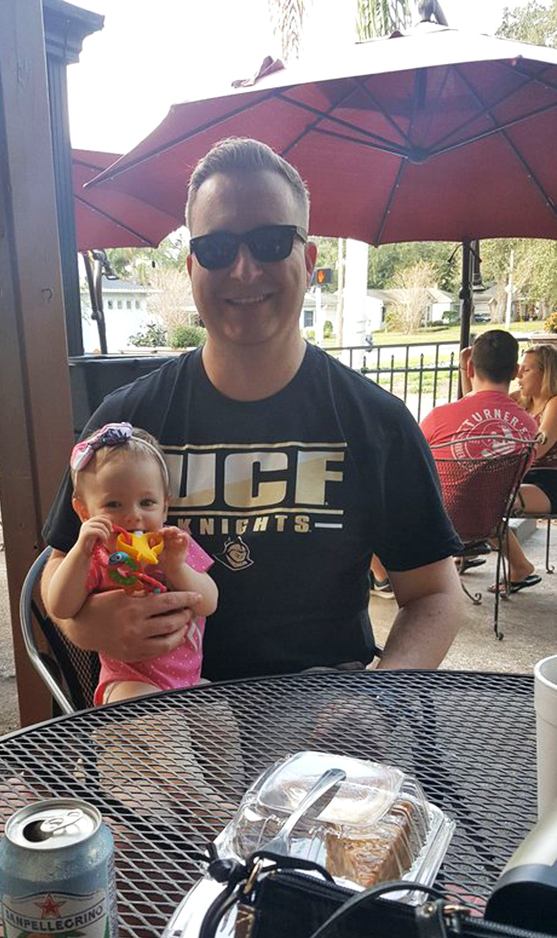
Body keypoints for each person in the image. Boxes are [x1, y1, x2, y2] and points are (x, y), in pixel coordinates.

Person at [42, 138, 462, 678]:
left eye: (270, 242)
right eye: (217, 249)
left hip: (324, 707)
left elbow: (434, 594)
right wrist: (88, 626)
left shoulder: (375, 421)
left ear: (308, 260)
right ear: (193, 267)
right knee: (139, 761)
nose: (243, 270)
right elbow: (58, 572)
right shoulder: (124, 423)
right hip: (164, 703)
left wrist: (377, 697)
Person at [44, 422, 218, 705]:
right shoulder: (97, 557)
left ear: (165, 507)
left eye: (147, 502)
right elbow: (60, 606)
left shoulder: (175, 546)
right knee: (160, 729)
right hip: (129, 683)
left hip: (189, 681)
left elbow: (209, 602)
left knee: (220, 722)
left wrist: (176, 568)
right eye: (114, 505)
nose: (133, 516)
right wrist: (79, 551)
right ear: (84, 511)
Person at [420, 329, 540, 590]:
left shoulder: (439, 417)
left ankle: (383, 578)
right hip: (488, 521)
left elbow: (410, 464)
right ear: (514, 372)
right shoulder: (528, 428)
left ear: (470, 368)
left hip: (435, 523)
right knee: (486, 493)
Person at [515, 343, 557, 517]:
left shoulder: (554, 403)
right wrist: (467, 369)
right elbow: (479, 403)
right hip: (522, 479)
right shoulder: (522, 400)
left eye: (526, 370)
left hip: (548, 482)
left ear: (545, 374)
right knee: (480, 499)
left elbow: (537, 449)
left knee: (496, 502)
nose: (518, 375)